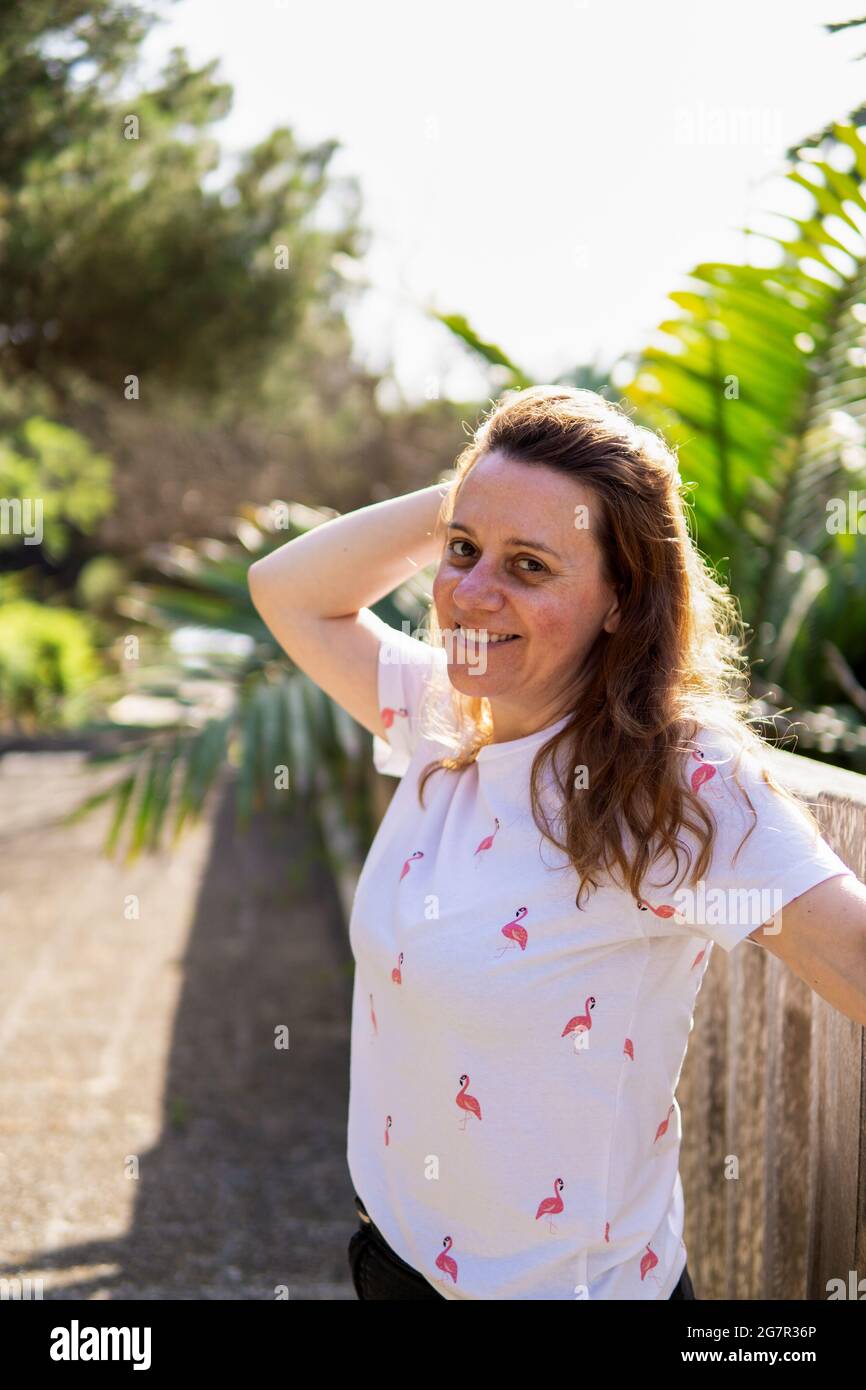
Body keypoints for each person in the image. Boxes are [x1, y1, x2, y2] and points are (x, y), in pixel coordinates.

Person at [248, 385, 865, 1300]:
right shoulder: (443, 715)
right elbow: (288, 591)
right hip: (394, 1262)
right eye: (463, 551)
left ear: (623, 600)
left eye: (530, 566)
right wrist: (478, 492)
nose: (470, 592)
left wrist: (489, 503)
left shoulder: (679, 784)